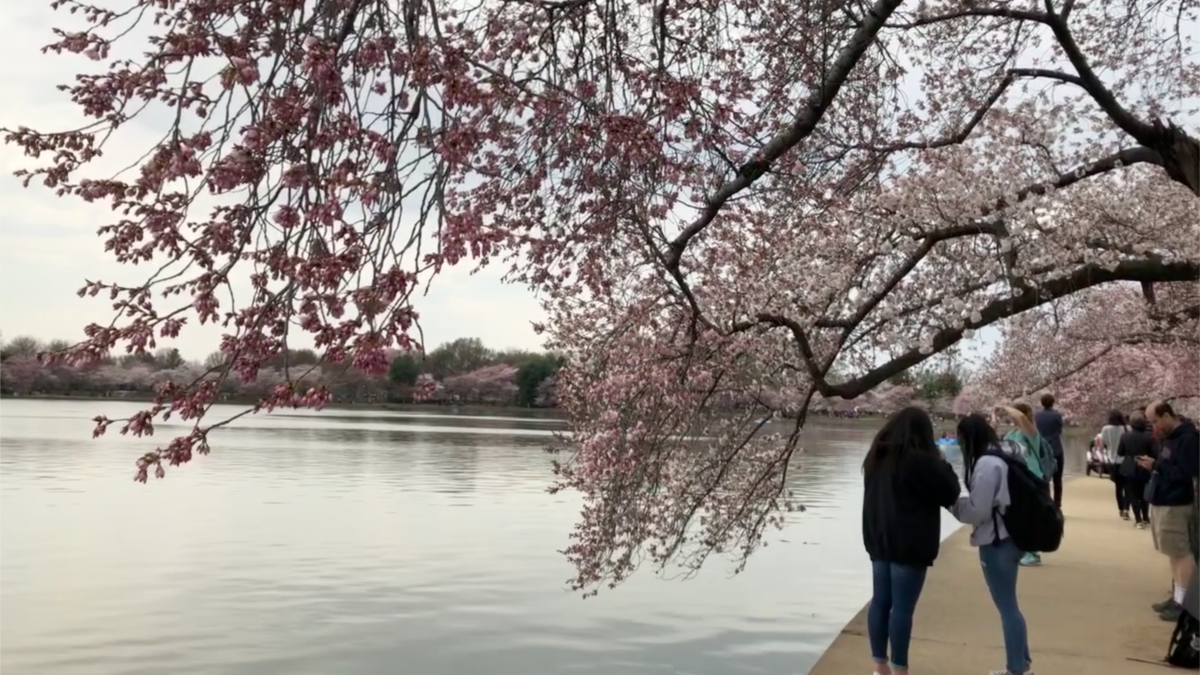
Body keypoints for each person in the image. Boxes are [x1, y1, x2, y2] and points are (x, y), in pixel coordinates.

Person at [862, 407, 962, 675]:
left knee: (880, 601)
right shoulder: (921, 461)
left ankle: (879, 666)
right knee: (903, 609)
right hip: (910, 541)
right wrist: (943, 463)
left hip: (879, 537)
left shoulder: (875, 457)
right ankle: (899, 669)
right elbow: (951, 491)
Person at [952, 412, 1035, 675]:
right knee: (1011, 606)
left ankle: (1016, 669)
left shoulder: (987, 464)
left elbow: (978, 512)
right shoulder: (1012, 453)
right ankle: (1022, 664)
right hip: (1017, 536)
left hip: (997, 541)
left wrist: (954, 504)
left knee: (1007, 607)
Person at [1139, 400, 1200, 621]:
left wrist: (1156, 466)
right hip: (1163, 498)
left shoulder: (1188, 439)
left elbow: (1186, 472)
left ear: (1166, 415)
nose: (1154, 426)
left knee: (1181, 553)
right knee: (1172, 553)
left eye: (1155, 421)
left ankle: (1186, 603)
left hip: (1176, 502)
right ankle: (1177, 597)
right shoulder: (1170, 439)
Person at [1004, 402, 1053, 566]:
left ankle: (1032, 553)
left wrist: (1006, 407)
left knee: (1029, 515)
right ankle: (1020, 548)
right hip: (1015, 476)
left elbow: (1022, 418)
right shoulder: (1011, 433)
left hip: (1031, 477)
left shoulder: (1031, 433)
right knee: (1017, 514)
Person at [1117, 414, 1156, 528]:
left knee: (1132, 493)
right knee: (1144, 493)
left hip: (1129, 466)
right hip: (1144, 466)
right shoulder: (1149, 438)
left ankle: (1138, 519)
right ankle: (1145, 517)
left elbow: (1120, 452)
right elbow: (1153, 454)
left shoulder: (1125, 436)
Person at [1033, 394, 1065, 508]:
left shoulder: (1037, 415)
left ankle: (1045, 503)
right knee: (1058, 478)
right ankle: (1057, 504)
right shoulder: (1057, 415)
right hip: (1056, 447)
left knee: (1043, 478)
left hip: (1042, 448)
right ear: (1053, 402)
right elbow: (1059, 429)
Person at [1100, 410, 1130, 519]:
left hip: (1113, 461)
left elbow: (1103, 443)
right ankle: (1127, 509)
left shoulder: (1106, 429)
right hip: (1126, 461)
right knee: (1127, 487)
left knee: (1118, 487)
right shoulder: (1127, 428)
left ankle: (1121, 509)